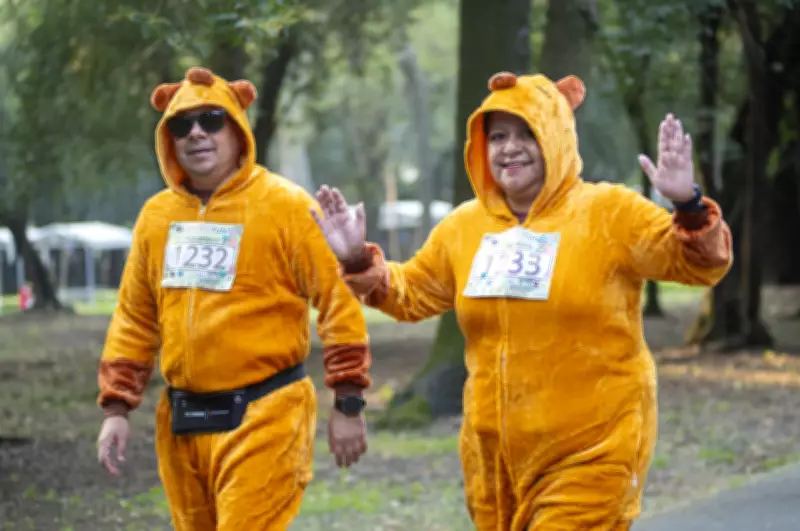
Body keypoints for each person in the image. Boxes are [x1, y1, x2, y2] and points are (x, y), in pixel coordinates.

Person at [311, 71, 733, 530]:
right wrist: (356, 258)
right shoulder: (464, 227)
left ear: (554, 135)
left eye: (526, 132)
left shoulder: (608, 211)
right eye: (497, 136)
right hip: (493, 462)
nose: (509, 148)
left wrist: (688, 204)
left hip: (593, 449)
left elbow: (700, 264)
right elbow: (411, 293)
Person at [95, 66, 373, 531]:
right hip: (183, 422)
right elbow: (134, 317)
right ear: (168, 138)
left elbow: (338, 302)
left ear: (237, 127)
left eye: (211, 119)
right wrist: (117, 408)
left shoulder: (285, 205)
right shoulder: (156, 217)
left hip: (267, 413)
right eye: (182, 125)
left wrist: (348, 402)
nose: (196, 133)